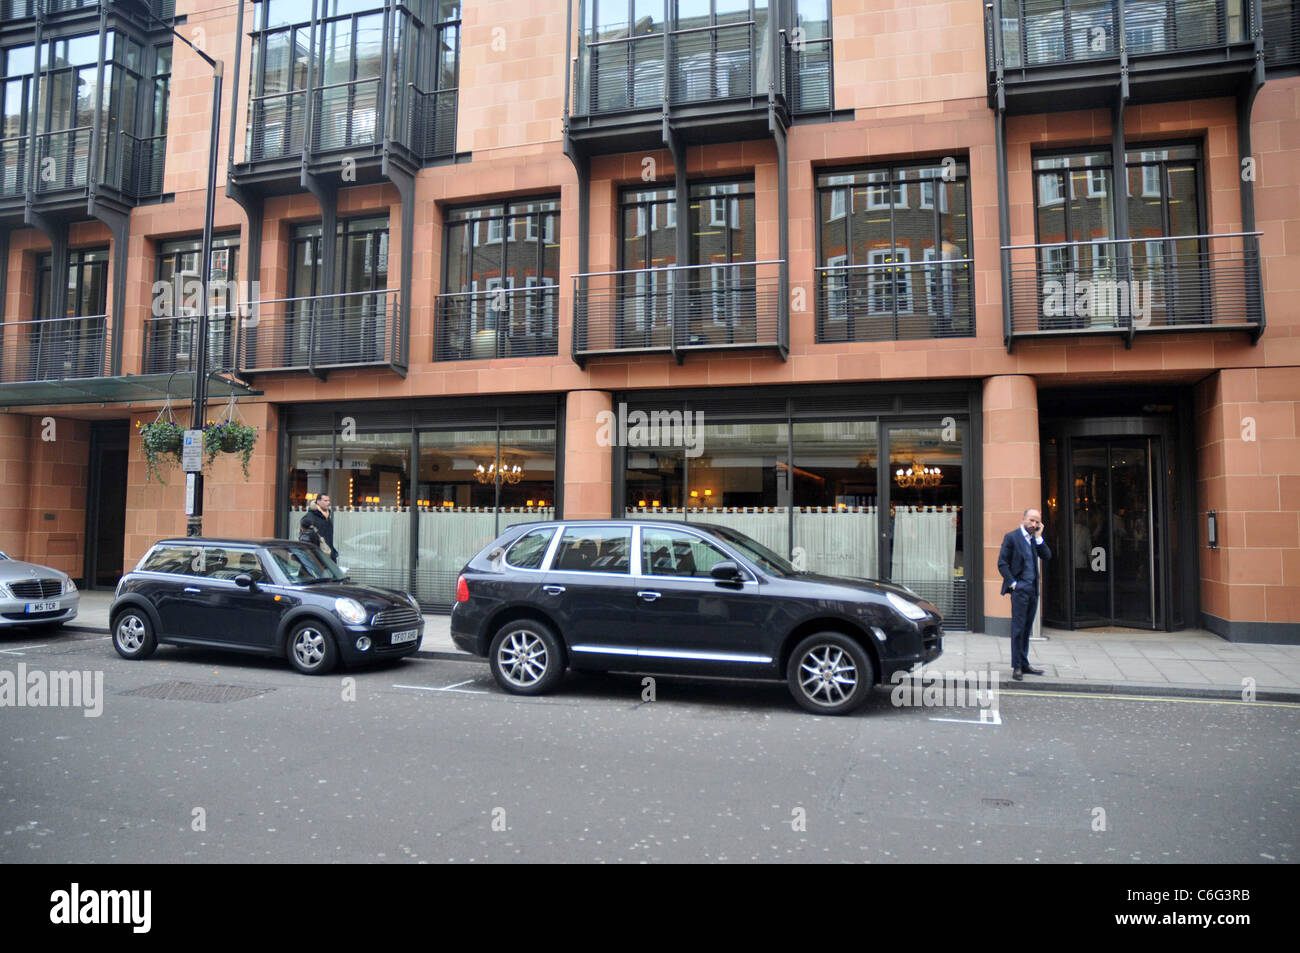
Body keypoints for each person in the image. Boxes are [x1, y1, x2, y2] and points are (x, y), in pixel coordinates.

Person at [998, 507, 1052, 680]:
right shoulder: (1012, 537)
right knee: (1018, 628)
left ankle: (1024, 662)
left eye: (1037, 521)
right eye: (1031, 520)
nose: (1034, 524)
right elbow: (1002, 563)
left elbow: (1047, 555)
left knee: (1027, 628)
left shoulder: (1034, 540)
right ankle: (1017, 667)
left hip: (1033, 591)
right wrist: (1013, 584)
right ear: (1023, 519)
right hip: (1020, 591)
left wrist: (1039, 537)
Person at [299, 494, 339, 564]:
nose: (328, 503)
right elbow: (306, 539)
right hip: (316, 558)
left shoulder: (327, 518)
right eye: (325, 501)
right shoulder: (310, 517)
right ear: (318, 502)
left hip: (327, 555)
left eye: (329, 501)